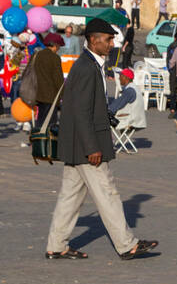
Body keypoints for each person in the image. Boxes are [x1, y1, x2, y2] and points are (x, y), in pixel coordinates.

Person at [45, 18, 156, 261]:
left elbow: (86, 107)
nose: (112, 44)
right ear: (93, 41)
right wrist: (92, 147)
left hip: (77, 144)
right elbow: (81, 112)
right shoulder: (86, 67)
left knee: (70, 197)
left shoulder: (90, 65)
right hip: (87, 146)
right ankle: (127, 245)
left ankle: (56, 245)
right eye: (108, 40)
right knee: (107, 194)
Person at [33, 33, 66, 132]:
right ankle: (47, 144)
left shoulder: (37, 55)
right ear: (55, 45)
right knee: (50, 124)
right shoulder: (55, 58)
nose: (59, 49)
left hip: (38, 94)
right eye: (59, 46)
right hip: (51, 96)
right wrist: (64, 95)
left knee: (40, 120)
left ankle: (38, 142)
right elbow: (58, 79)